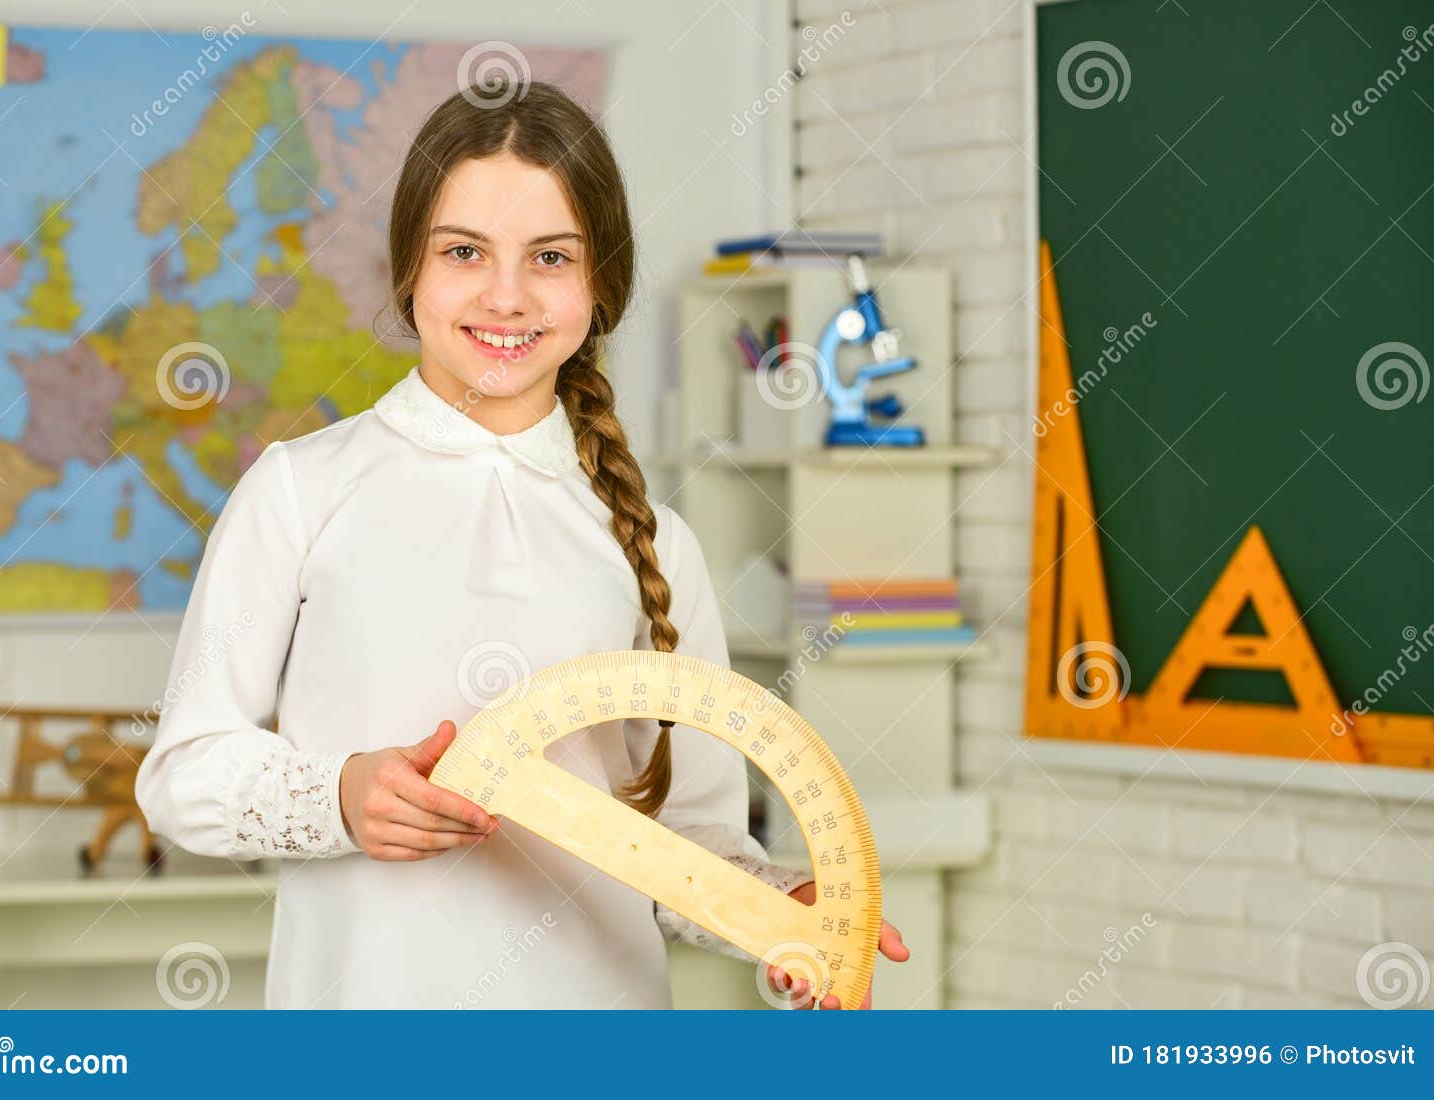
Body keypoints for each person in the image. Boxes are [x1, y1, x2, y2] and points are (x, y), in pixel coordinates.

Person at [134, 78, 907, 1009]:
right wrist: (339, 795)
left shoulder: (657, 540)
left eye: (550, 256)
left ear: (601, 284)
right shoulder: (299, 489)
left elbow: (692, 842)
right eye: (464, 251)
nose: (506, 297)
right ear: (409, 268)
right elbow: (182, 776)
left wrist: (786, 909)